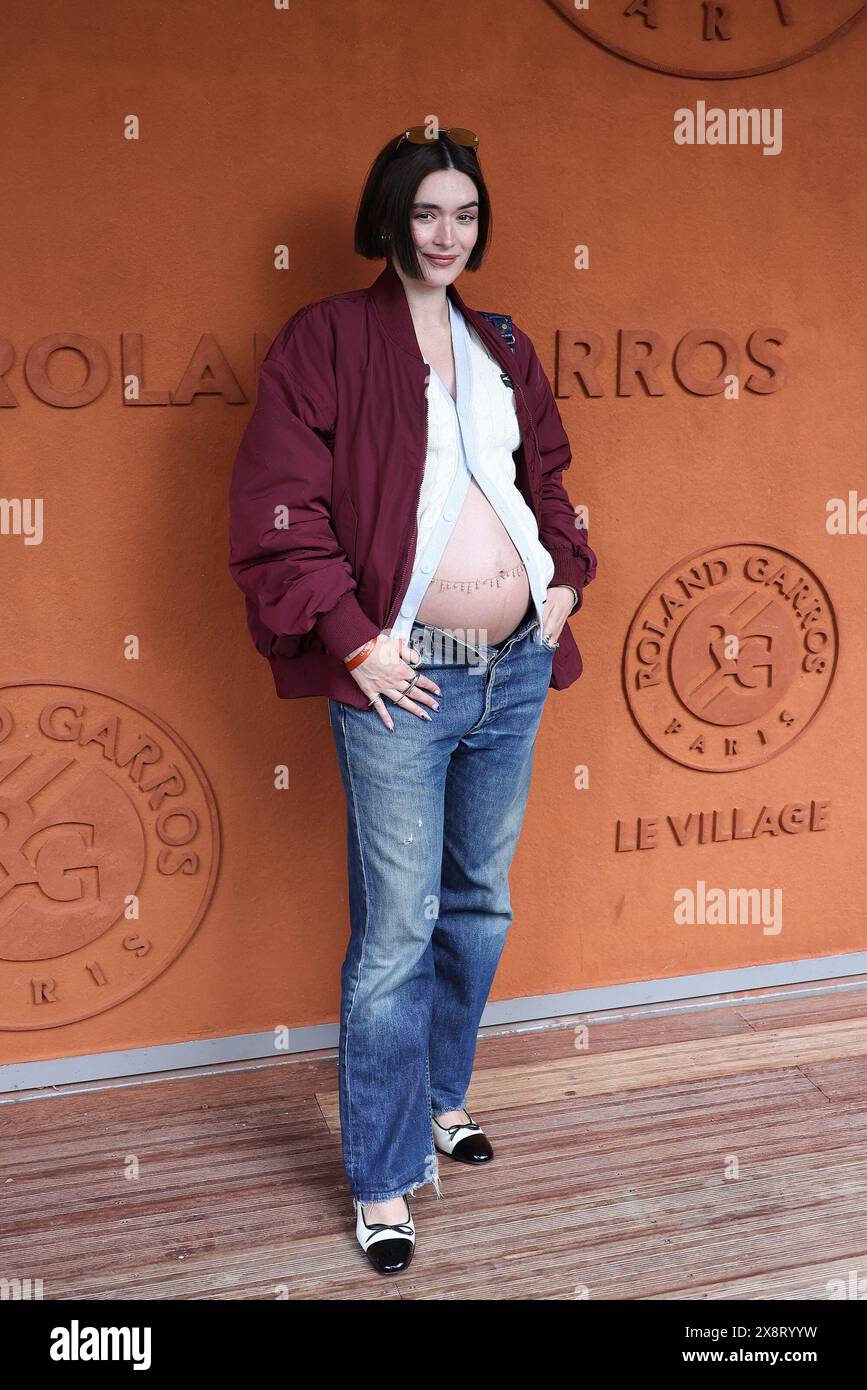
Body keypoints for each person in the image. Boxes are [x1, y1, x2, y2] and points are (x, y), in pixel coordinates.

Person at [227, 123, 597, 1276]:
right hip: (403, 680)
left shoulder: (501, 344)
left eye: (466, 215)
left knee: (479, 902)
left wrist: (568, 577)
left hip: (516, 670)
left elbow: (548, 477)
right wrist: (352, 640)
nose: (448, 235)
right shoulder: (326, 339)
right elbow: (278, 505)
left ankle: (441, 1097)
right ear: (390, 219)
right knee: (396, 931)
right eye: (429, 213)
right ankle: (385, 1176)